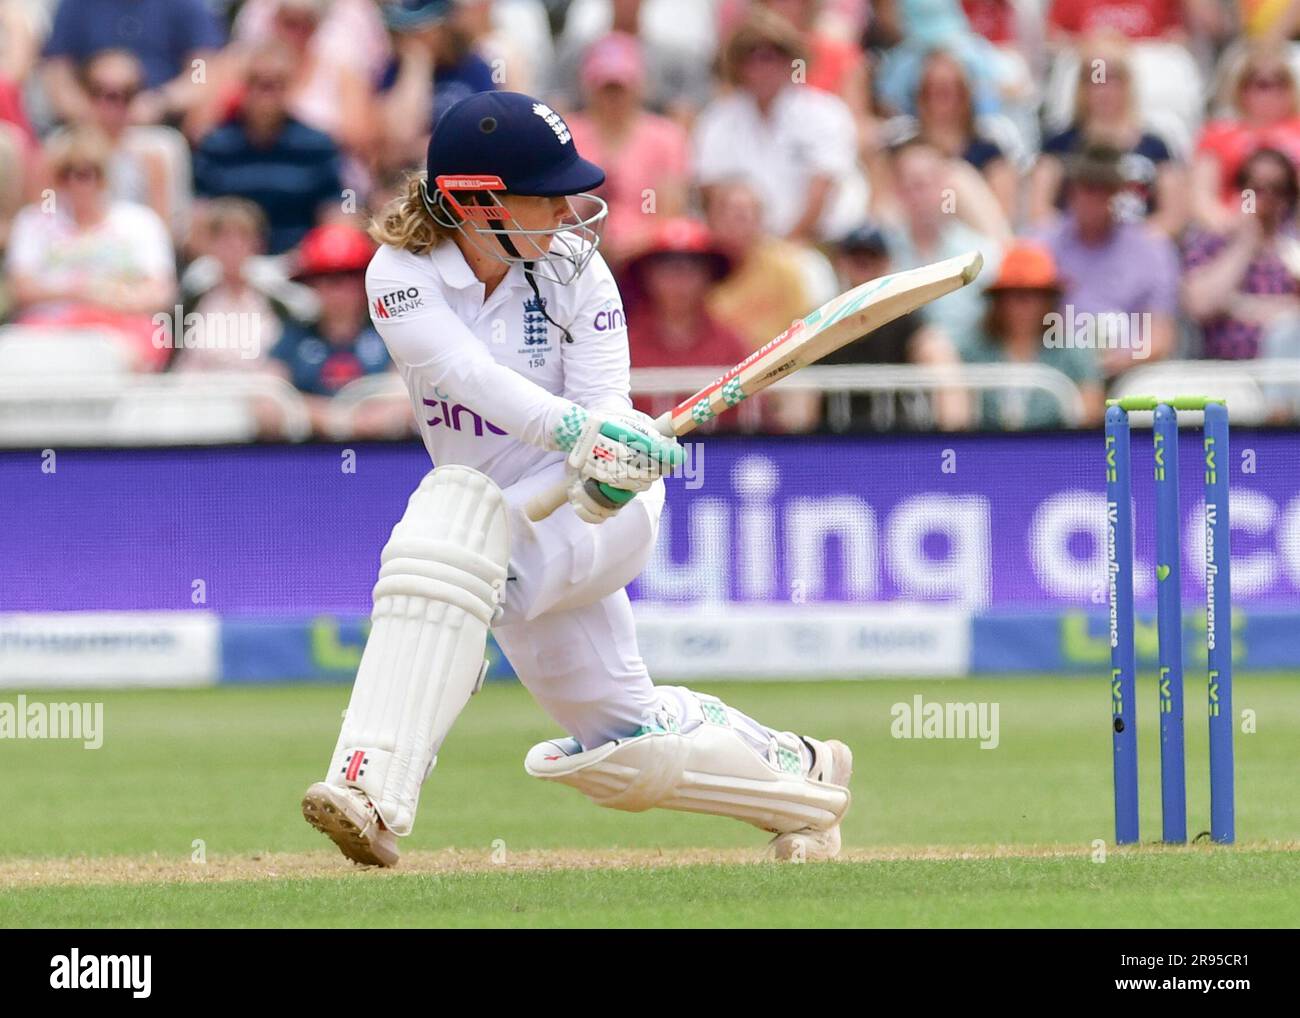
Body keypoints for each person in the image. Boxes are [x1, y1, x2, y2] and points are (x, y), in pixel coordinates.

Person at [300, 91, 852, 868]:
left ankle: (370, 791)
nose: (567, 212)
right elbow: (464, 376)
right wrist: (581, 432)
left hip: (596, 518)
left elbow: (604, 403)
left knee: (446, 531)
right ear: (475, 203)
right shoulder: (400, 272)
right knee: (624, 745)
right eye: (546, 195)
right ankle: (805, 780)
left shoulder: (578, 273)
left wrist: (613, 463)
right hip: (505, 521)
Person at [5, 127, 175, 370]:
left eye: (86, 174)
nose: (77, 184)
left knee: (130, 349)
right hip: (51, 325)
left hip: (122, 323)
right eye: (67, 174)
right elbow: (21, 288)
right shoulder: (33, 222)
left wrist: (116, 299)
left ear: (104, 176)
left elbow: (161, 291)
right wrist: (80, 293)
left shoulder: (139, 222)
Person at [693, 7, 866, 244]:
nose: (762, 68)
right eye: (751, 57)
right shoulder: (717, 120)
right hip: (739, 249)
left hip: (814, 243)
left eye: (772, 56)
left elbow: (822, 193)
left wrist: (783, 248)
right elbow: (711, 194)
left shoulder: (826, 114)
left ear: (791, 61)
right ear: (738, 66)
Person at [1041, 144, 1180, 377]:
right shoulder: (1042, 247)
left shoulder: (1152, 250)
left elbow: (1161, 336)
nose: (1093, 199)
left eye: (1103, 190)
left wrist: (1120, 361)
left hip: (1131, 373)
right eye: (1086, 188)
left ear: (1118, 194)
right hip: (1059, 373)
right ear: (1071, 192)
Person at [192, 46, 344, 254]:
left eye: (276, 84)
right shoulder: (216, 145)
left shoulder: (317, 145)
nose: (267, 94)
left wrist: (309, 260)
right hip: (229, 264)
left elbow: (335, 216)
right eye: (259, 83)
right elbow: (200, 219)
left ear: (291, 87)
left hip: (297, 265)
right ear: (244, 86)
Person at [1028, 34, 1185, 236]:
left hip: (1138, 247)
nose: (1103, 89)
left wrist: (1135, 244)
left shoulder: (1155, 146)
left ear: (1127, 83)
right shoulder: (1058, 144)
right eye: (1094, 79)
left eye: (1112, 78)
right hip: (1074, 246)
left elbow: (1173, 215)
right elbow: (1039, 209)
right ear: (1081, 87)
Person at [819, 224, 970, 431]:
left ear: (886, 264)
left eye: (871, 258)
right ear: (841, 263)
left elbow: (936, 352)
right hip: (831, 438)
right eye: (856, 258)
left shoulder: (905, 317)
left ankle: (958, 442)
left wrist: (953, 435)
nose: (864, 265)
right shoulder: (823, 321)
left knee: (939, 352)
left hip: (893, 436)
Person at [565, 32, 690, 268]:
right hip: (576, 253)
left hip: (647, 259)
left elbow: (672, 211)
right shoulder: (568, 132)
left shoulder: (666, 137)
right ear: (588, 87)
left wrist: (634, 244)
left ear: (639, 87)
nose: (613, 98)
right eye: (606, 89)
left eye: (620, 88)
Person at [622, 216, 753, 428]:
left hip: (718, 457)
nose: (679, 280)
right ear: (646, 276)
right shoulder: (623, 343)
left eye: (692, 268)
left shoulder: (732, 344)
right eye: (667, 268)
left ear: (709, 275)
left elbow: (753, 416)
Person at [963, 240, 1104, 429]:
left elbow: (1091, 419)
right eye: (1013, 296)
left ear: (1049, 301)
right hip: (988, 452)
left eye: (1033, 296)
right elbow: (959, 420)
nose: (1022, 307)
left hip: (1055, 452)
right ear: (998, 302)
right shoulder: (972, 351)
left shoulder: (1074, 351)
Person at [1184, 147, 1300, 360]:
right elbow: (1200, 305)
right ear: (1242, 191)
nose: (1266, 198)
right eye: (1255, 188)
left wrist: (1237, 306)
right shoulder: (1212, 242)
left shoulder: (1295, 246)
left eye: (1277, 188)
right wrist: (1244, 243)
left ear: (1288, 197)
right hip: (1228, 372)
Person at [1193, 41, 1300, 232]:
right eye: (1262, 84)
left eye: (1281, 82)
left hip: (1292, 220)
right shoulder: (1219, 134)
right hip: (1238, 218)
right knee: (1255, 183)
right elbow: (1202, 197)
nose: (1272, 92)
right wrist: (1228, 226)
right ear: (1242, 88)